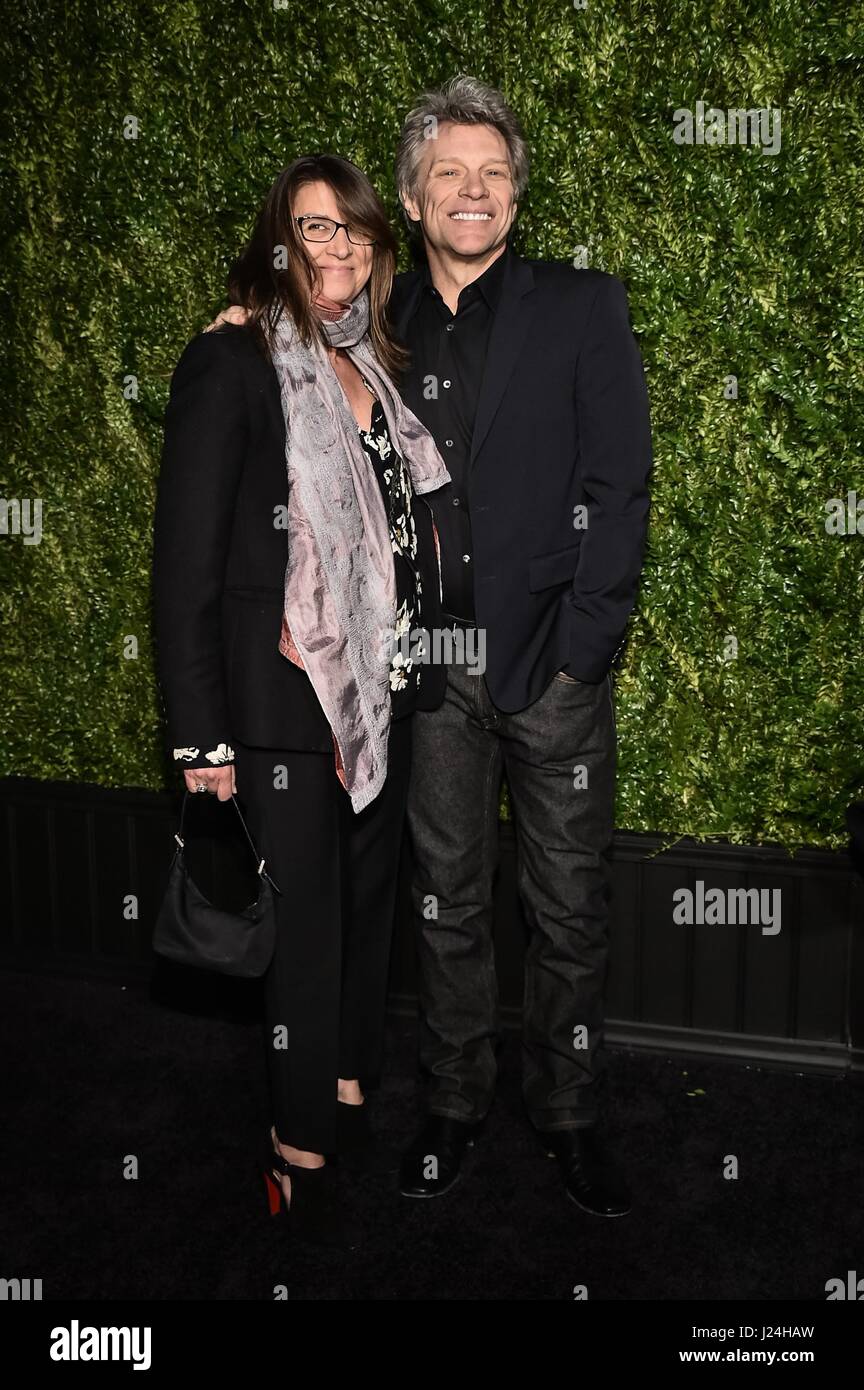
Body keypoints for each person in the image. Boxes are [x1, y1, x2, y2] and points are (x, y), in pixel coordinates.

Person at [152, 154, 450, 1249]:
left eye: (356, 234)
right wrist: (200, 740)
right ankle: (296, 1144)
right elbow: (182, 566)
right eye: (314, 231)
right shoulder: (231, 360)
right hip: (279, 698)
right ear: (275, 241)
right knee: (306, 924)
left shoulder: (373, 362)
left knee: (372, 905)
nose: (338, 251)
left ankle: (349, 1084)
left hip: (384, 684)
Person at [388, 76, 652, 1215]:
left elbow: (620, 481)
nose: (473, 189)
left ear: (516, 195)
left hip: (551, 665)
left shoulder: (582, 306)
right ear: (411, 194)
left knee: (567, 905)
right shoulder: (374, 319)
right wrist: (246, 315)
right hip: (432, 670)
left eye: (493, 171)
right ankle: (453, 1102)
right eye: (450, 169)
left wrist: (583, 650)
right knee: (444, 897)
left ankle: (572, 1112)